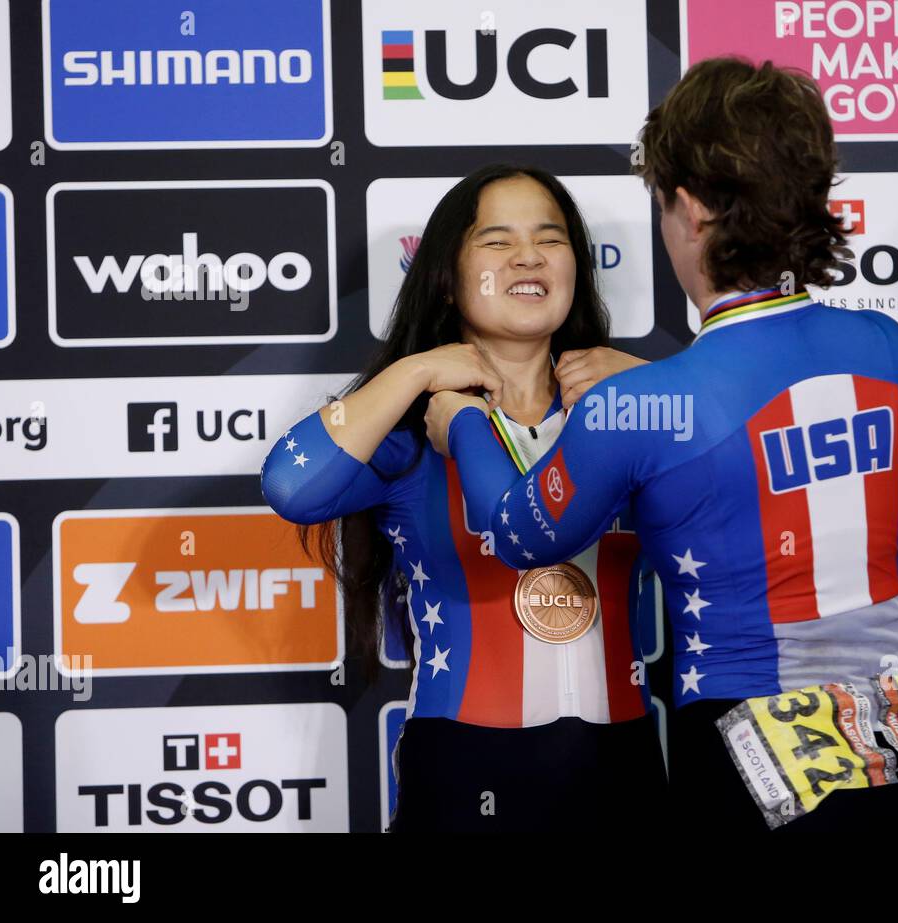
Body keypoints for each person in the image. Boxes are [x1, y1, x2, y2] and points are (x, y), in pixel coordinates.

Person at [427, 59, 898, 833]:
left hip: (751, 770)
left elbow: (520, 531)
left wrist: (459, 419)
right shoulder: (889, 349)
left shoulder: (644, 402)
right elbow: (757, 427)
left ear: (689, 211)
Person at [260, 164, 666, 833]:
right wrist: (414, 371)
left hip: (622, 768)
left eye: (550, 237)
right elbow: (289, 484)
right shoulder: (414, 434)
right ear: (448, 275)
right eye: (498, 240)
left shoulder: (627, 413)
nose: (529, 255)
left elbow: (756, 472)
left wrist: (660, 383)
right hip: (467, 774)